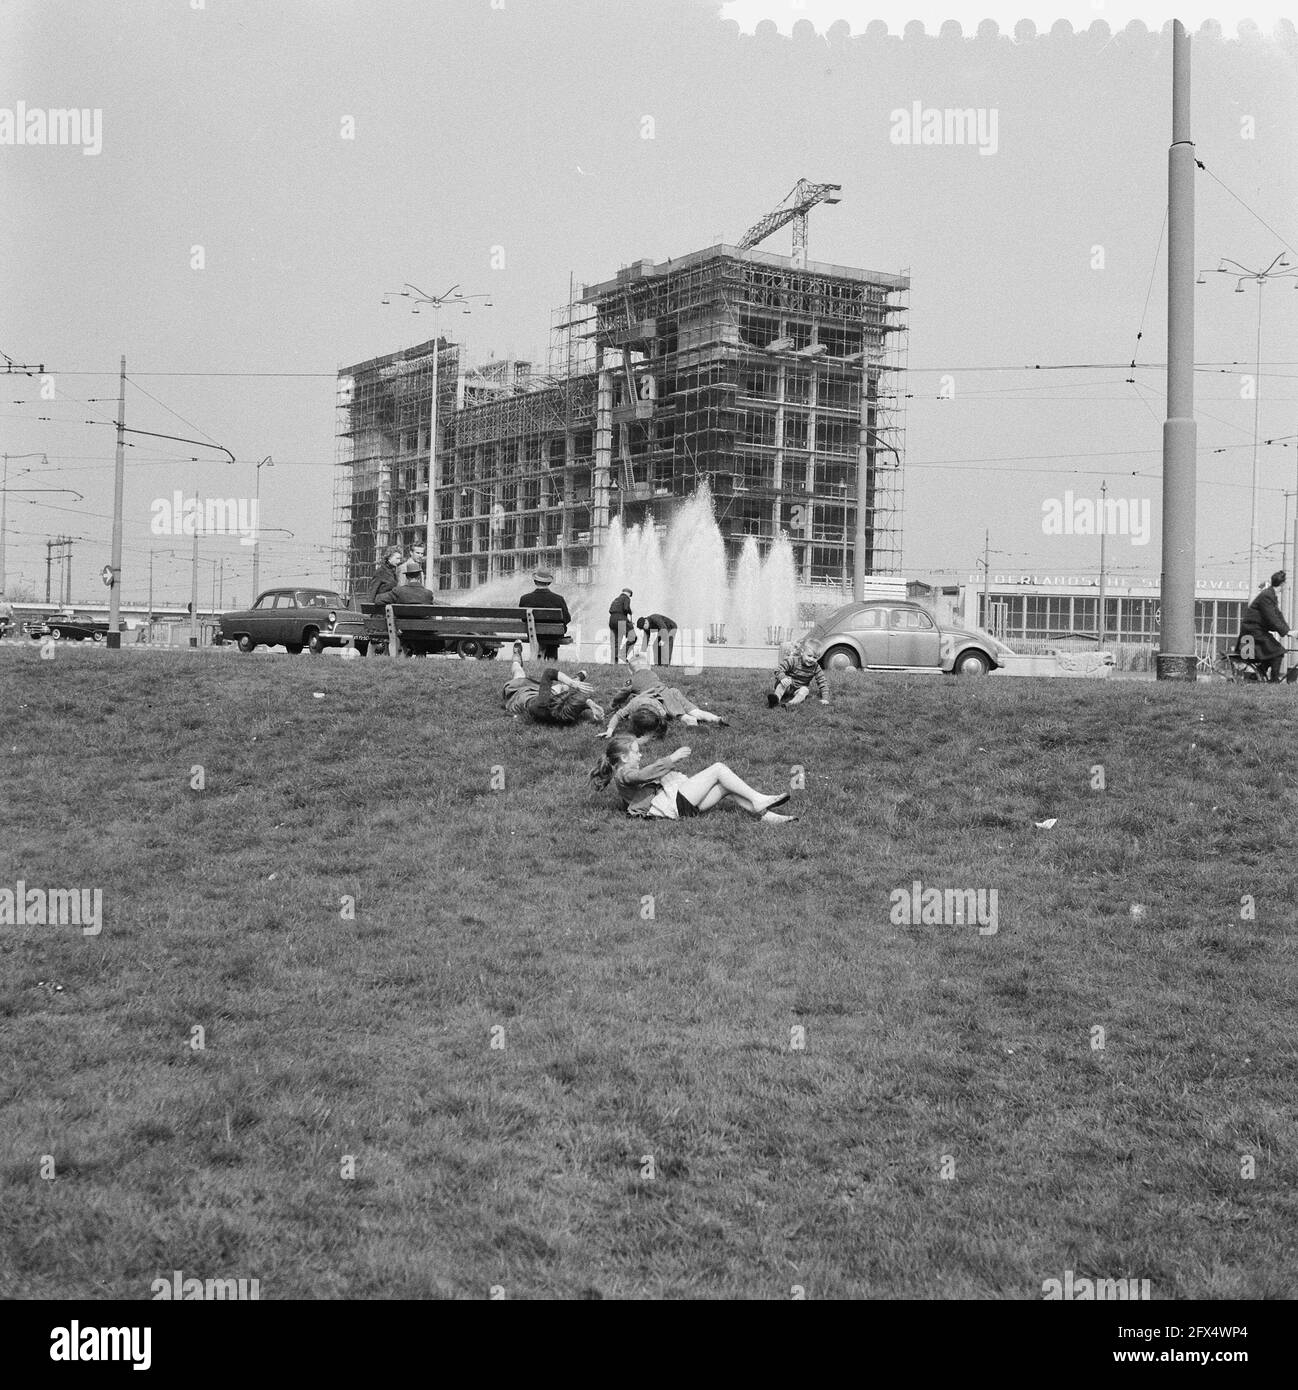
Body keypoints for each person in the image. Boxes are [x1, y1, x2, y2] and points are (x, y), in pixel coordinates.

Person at [590, 736, 796, 823]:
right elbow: (642, 776)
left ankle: (766, 815)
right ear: (624, 758)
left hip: (676, 805)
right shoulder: (623, 774)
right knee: (718, 769)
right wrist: (672, 758)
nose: (640, 755)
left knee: (726, 786)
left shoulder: (624, 773)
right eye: (636, 752)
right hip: (672, 805)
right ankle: (759, 798)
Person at [502, 642, 604, 725]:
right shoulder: (556, 711)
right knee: (561, 687)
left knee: (518, 673)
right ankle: (578, 677)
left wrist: (573, 684)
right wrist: (591, 704)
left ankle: (516, 655)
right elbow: (576, 702)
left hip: (522, 694)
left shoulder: (541, 706)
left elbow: (548, 673)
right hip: (531, 695)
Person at [1238, 570, 1290, 683]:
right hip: (1252, 631)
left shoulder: (1270, 594)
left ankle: (1257, 675)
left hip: (1256, 630)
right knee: (1278, 651)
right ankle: (1274, 681)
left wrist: (1289, 631)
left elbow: (1278, 615)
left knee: (1271, 652)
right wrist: (1287, 632)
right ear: (1282, 584)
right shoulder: (1267, 596)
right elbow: (1272, 618)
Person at [518, 568, 571, 661]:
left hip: (533, 634)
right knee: (553, 633)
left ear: (535, 581)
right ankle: (551, 659)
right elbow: (567, 619)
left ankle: (539, 657)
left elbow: (523, 619)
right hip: (554, 635)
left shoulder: (525, 599)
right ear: (549, 582)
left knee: (539, 632)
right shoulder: (558, 599)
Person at [767, 637, 829, 707]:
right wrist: (783, 677)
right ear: (802, 652)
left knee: (805, 690)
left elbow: (822, 682)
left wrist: (825, 698)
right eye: (809, 656)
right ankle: (775, 700)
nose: (811, 659)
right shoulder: (793, 661)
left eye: (815, 657)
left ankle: (791, 704)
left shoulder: (816, 667)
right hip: (788, 685)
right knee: (782, 684)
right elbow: (778, 669)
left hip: (798, 689)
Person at [608, 587, 635, 664]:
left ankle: (613, 662)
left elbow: (610, 610)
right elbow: (626, 608)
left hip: (612, 620)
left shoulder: (616, 599)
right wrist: (630, 611)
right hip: (620, 620)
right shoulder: (626, 598)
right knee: (633, 637)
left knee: (615, 642)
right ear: (629, 594)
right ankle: (623, 654)